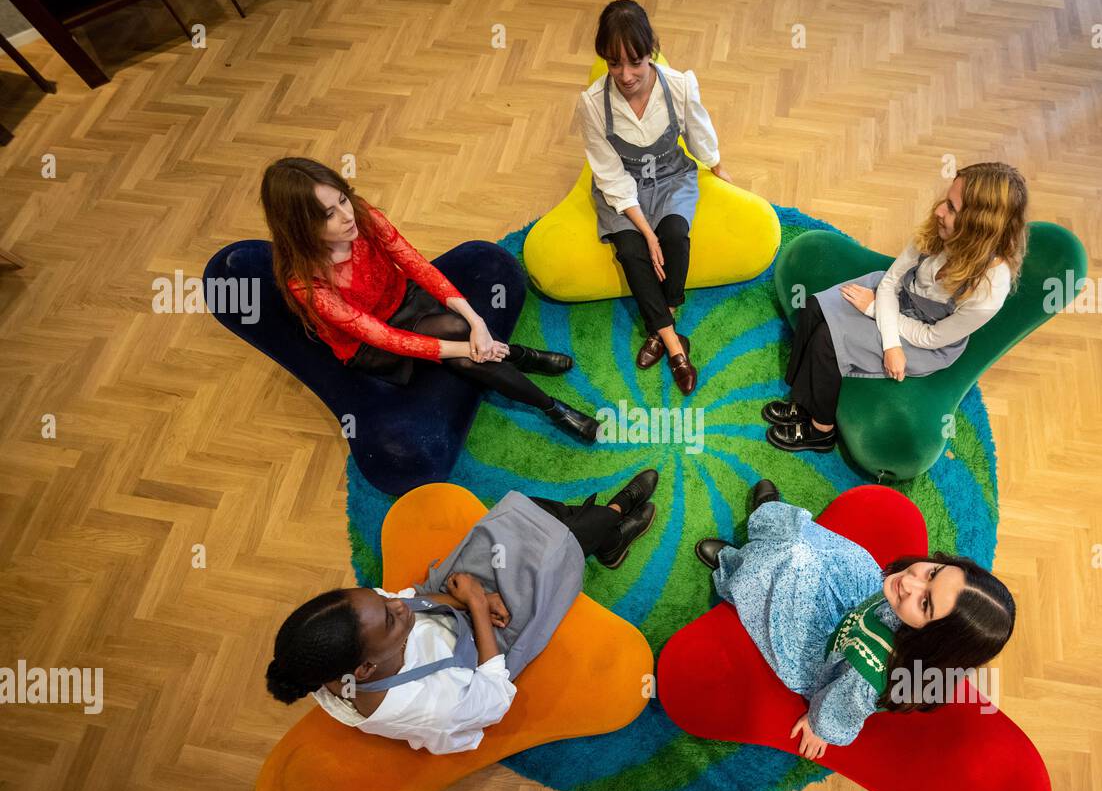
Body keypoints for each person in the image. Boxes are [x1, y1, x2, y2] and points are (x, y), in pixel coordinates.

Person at [264, 470, 659, 754]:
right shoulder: (422, 709)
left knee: (522, 515)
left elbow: (412, 600)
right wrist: (477, 606)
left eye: (379, 596)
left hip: (454, 610)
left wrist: (468, 597)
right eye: (389, 616)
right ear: (366, 670)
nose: (398, 602)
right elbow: (494, 695)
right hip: (486, 653)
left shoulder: (347, 645)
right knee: (553, 550)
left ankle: (607, 533)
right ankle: (614, 515)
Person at [260, 157, 600, 441]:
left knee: (461, 329)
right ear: (300, 226)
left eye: (342, 200)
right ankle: (549, 404)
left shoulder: (361, 216)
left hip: (405, 297)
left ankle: (519, 359)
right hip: (371, 346)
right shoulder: (307, 284)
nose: (347, 216)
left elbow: (415, 265)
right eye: (328, 214)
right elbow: (384, 337)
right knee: (462, 350)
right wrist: (468, 347)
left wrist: (476, 321)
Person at [694, 480, 1015, 756]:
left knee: (793, 559)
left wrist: (820, 726)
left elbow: (841, 708)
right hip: (856, 603)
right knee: (812, 549)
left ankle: (736, 563)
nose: (910, 582)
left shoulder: (866, 677)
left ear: (933, 638)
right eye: (933, 572)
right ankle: (770, 531)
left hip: (817, 645)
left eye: (926, 602)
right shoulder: (916, 623)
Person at [766, 162, 1028, 452]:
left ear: (980, 226)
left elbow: (932, 338)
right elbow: (891, 282)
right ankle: (801, 402)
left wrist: (883, 326)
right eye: (947, 201)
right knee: (815, 307)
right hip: (895, 300)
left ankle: (821, 430)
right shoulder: (938, 230)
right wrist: (881, 317)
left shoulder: (989, 290)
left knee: (826, 341)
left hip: (921, 339)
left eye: (952, 209)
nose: (940, 211)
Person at [580, 0, 734, 395]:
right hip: (623, 190)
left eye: (635, 62)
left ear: (651, 52)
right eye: (614, 64)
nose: (626, 75)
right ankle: (674, 346)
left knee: (676, 238)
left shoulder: (679, 86)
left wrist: (715, 164)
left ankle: (662, 323)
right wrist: (645, 234)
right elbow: (610, 175)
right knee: (632, 252)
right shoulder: (593, 105)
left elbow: (699, 129)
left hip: (670, 178)